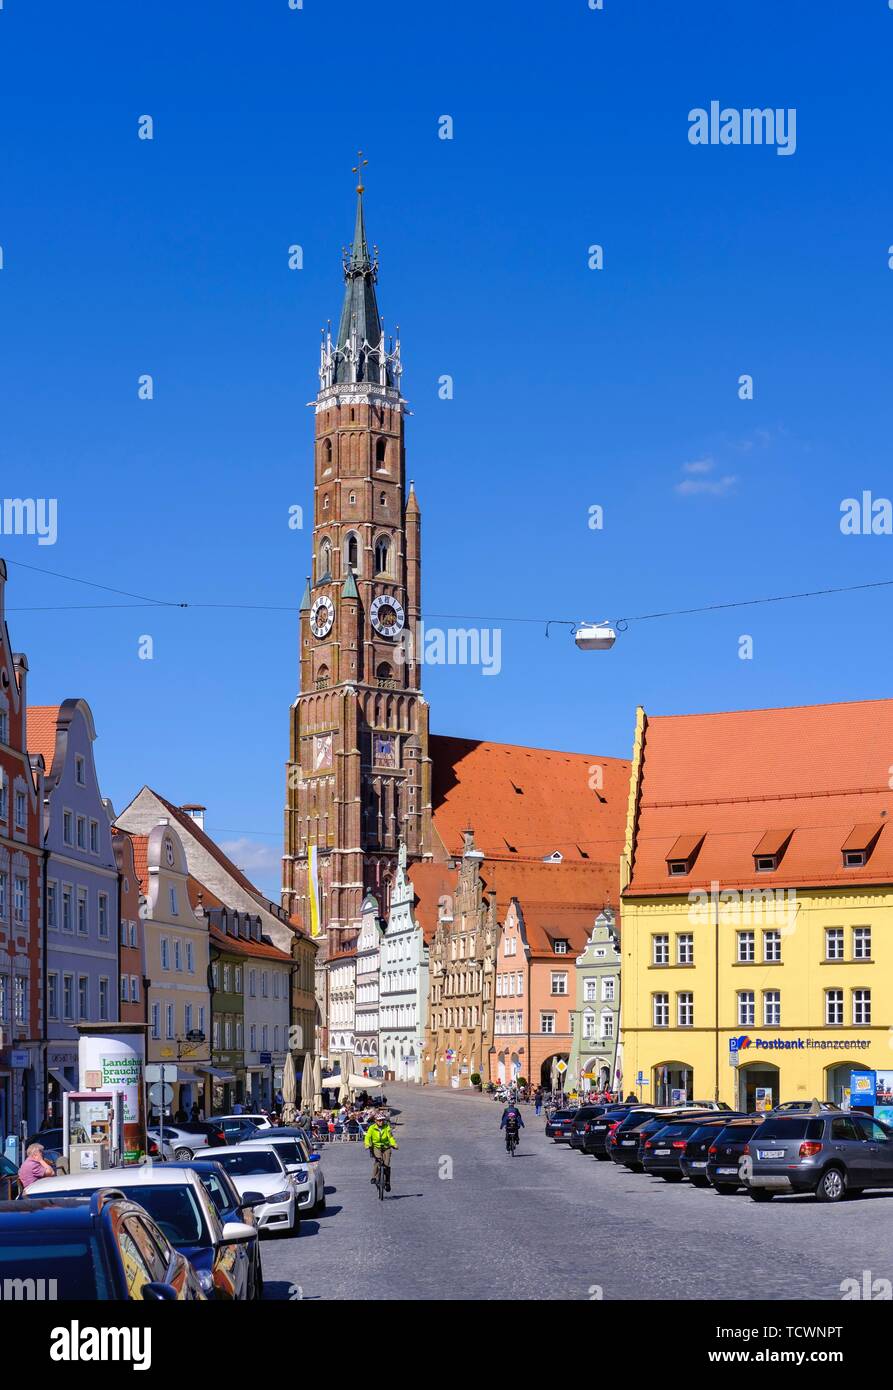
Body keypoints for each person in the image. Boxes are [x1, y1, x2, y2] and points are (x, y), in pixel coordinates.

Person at [364, 1110, 398, 1191]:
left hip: (386, 1147)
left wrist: (394, 1144)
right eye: (379, 1120)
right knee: (378, 1160)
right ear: (375, 1121)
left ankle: (387, 1182)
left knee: (386, 1165)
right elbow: (368, 1137)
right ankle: (374, 1177)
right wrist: (367, 1144)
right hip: (376, 1147)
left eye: (382, 1120)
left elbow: (390, 1137)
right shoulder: (372, 1128)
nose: (381, 1122)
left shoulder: (387, 1127)